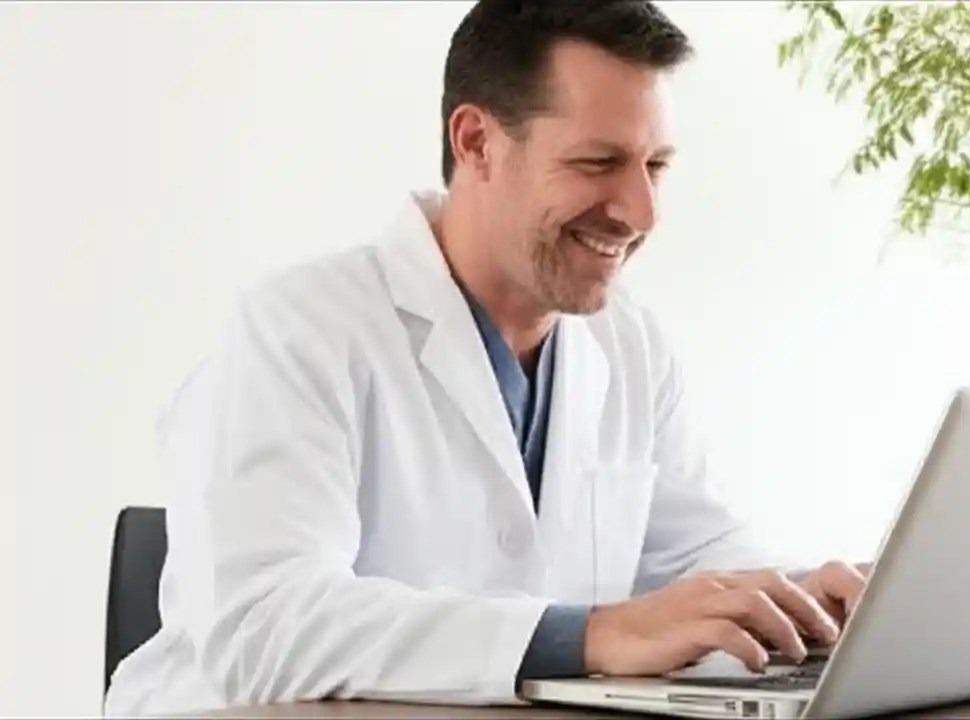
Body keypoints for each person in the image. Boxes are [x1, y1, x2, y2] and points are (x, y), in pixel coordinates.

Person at [104, 0, 869, 715]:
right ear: (475, 142)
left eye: (656, 166)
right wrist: (594, 635)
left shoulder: (628, 342)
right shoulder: (297, 329)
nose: (641, 212)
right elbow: (264, 627)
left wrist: (808, 602)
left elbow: (695, 558)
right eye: (599, 163)